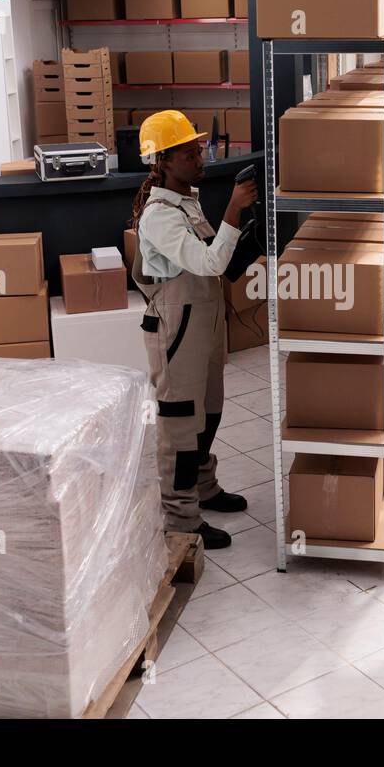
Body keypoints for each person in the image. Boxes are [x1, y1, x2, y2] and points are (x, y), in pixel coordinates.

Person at [131, 110, 259, 550]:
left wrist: (248, 234)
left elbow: (215, 262)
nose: (200, 158)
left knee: (210, 410)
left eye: (199, 149)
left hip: (203, 323)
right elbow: (207, 262)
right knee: (180, 425)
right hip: (177, 329)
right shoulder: (159, 216)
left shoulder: (188, 201)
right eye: (188, 153)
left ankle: (205, 488)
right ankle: (182, 517)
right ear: (163, 161)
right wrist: (233, 209)